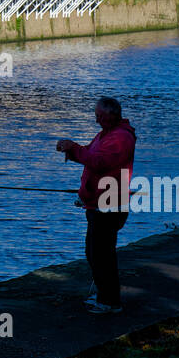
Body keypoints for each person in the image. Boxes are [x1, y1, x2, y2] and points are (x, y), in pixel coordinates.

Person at [57, 96, 136, 314]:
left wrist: (74, 148)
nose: (96, 120)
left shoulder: (120, 138)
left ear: (110, 116)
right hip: (98, 203)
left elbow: (100, 162)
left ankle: (109, 302)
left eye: (99, 116)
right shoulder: (106, 135)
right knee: (95, 253)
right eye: (96, 115)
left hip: (109, 205)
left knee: (101, 254)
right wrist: (70, 150)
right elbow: (91, 155)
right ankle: (105, 296)